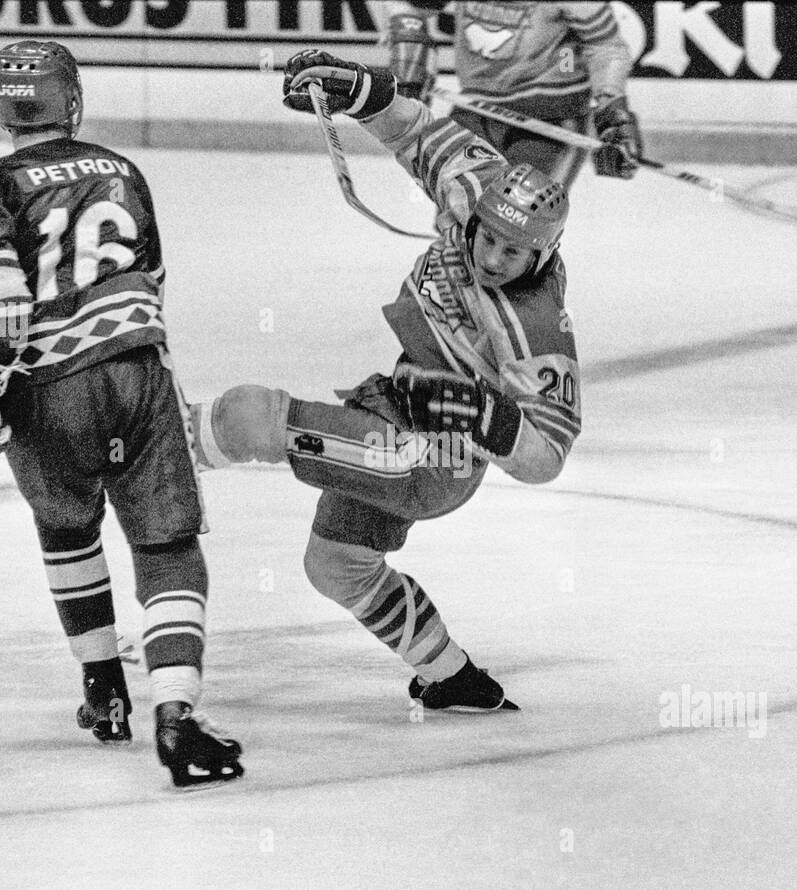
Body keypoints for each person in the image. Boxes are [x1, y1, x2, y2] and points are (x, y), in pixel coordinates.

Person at [189, 49, 582, 712]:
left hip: (432, 459)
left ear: (543, 253)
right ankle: (452, 676)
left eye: (514, 253)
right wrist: (360, 90)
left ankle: (149, 453)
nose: (492, 256)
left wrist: (486, 415)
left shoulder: (534, 326)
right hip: (396, 409)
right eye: (488, 238)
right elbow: (414, 131)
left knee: (250, 417)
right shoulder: (474, 185)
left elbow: (547, 457)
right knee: (335, 565)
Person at [0, 40, 241, 787]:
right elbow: (153, 276)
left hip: (46, 391)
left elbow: (2, 303)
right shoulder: (120, 168)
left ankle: (104, 689)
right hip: (137, 369)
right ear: (69, 99)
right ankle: (174, 713)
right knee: (166, 542)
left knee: (67, 525)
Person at [386, 1, 641, 188]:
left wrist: (612, 108)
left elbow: (605, 46)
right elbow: (409, 7)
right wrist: (409, 41)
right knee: (457, 212)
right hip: (475, 107)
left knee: (522, 222)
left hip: (550, 116)